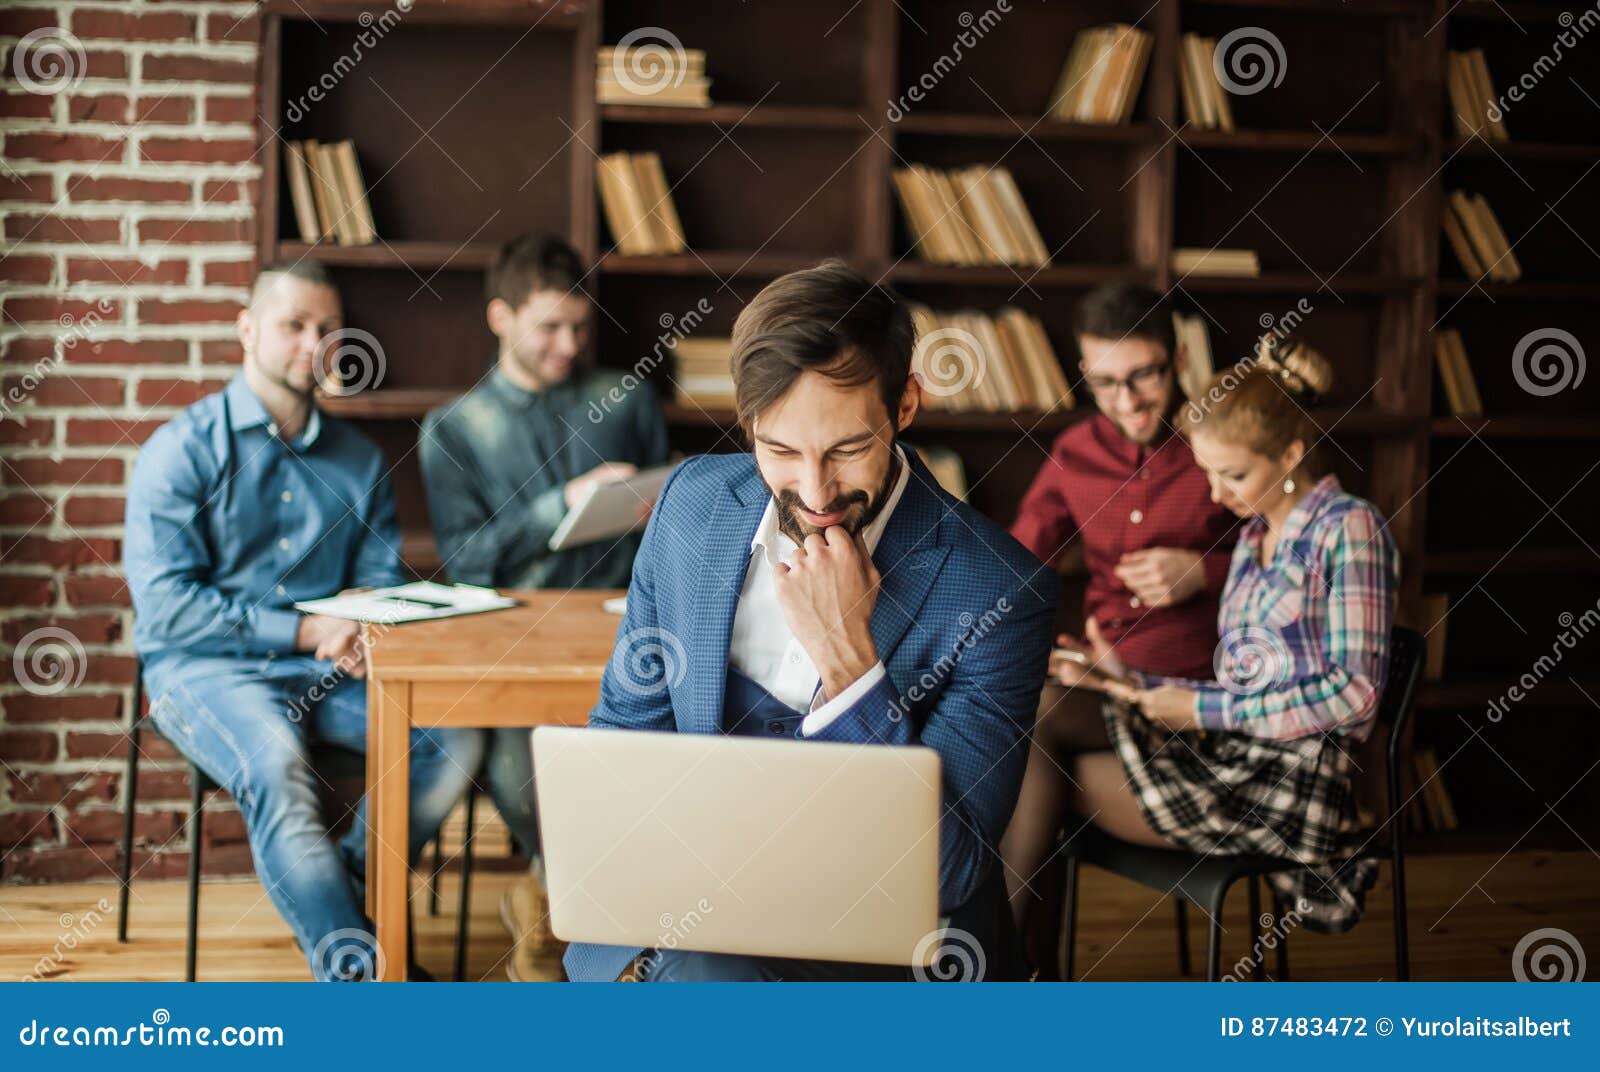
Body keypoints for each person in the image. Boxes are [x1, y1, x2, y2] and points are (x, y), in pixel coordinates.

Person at [562, 259, 1059, 982]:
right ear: (748, 422)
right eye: (781, 450)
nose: (816, 490)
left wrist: (849, 662)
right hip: (688, 920)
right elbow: (627, 734)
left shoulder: (1002, 592)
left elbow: (943, 873)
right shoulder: (690, 507)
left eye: (849, 448)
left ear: (907, 406)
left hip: (879, 953)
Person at [124, 261, 482, 981]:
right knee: (276, 764)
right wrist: (304, 631)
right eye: (293, 326)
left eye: (326, 329)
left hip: (329, 672)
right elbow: (166, 606)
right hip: (205, 672)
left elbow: (379, 580)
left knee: (457, 735)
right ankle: (360, 979)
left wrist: (359, 625)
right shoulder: (181, 451)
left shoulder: (359, 461)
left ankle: (337, 898)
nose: (312, 345)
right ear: (248, 330)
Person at [1042, 338, 1398, 940]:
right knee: (1041, 708)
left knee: (1038, 767)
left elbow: (1355, 696)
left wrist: (1204, 707)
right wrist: (1123, 679)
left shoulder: (1349, 528)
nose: (1215, 495)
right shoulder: (1256, 535)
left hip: (1290, 781)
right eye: (1208, 473)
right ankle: (1015, 973)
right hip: (1230, 750)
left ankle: (1008, 974)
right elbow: (1238, 684)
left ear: (1290, 454)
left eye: (1233, 474)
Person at [418, 234, 669, 980]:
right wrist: (561, 505)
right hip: (512, 639)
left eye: (580, 328)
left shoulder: (626, 397)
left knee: (667, 757)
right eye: (550, 328)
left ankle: (576, 917)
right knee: (518, 774)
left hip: (627, 625)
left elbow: (669, 508)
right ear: (501, 318)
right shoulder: (452, 429)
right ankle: (580, 915)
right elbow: (465, 562)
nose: (570, 344)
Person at [1002, 283, 1237, 974]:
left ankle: (997, 972)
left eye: (1144, 376)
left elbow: (1295, 561)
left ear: (1179, 356)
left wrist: (1204, 572)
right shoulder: (1076, 452)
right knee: (1019, 717)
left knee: (1030, 735)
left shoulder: (1223, 440)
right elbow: (1020, 566)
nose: (1128, 401)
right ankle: (1016, 976)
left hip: (1202, 697)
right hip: (1110, 687)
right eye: (1104, 384)